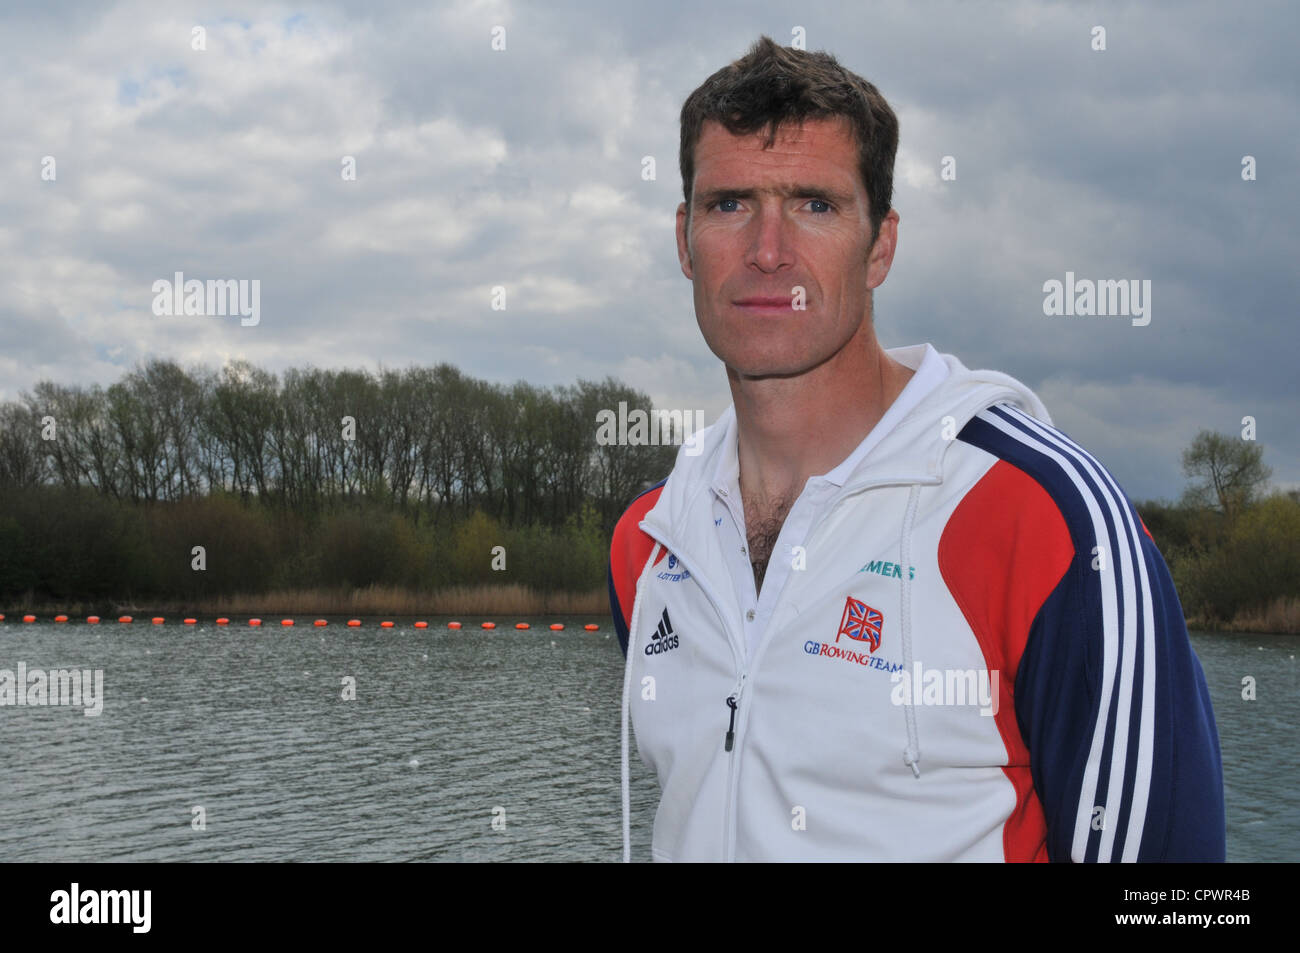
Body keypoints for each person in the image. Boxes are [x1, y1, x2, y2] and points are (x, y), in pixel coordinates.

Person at [607, 36, 1225, 862]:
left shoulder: (1052, 523)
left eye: (814, 205)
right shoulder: (649, 544)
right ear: (684, 241)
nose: (767, 250)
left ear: (882, 246)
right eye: (729, 204)